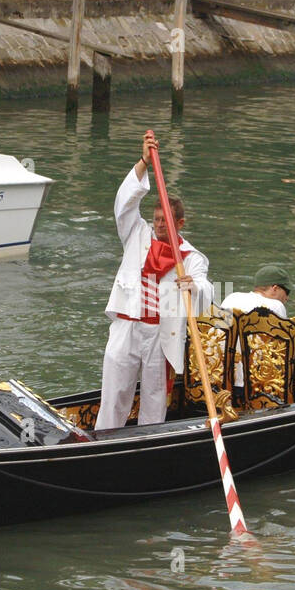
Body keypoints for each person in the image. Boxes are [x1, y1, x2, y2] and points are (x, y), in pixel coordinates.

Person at [96, 131, 213, 430]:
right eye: (157, 219)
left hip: (161, 334)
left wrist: (193, 286)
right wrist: (144, 162)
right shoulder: (136, 233)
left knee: (154, 397)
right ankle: (105, 437)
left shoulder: (191, 258)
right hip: (127, 325)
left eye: (166, 221)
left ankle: (149, 439)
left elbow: (206, 290)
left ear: (180, 223)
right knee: (114, 393)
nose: (160, 225)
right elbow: (123, 204)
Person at [220, 264, 290, 319]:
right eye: (287, 292)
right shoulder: (276, 306)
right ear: (275, 288)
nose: (287, 298)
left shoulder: (232, 297)